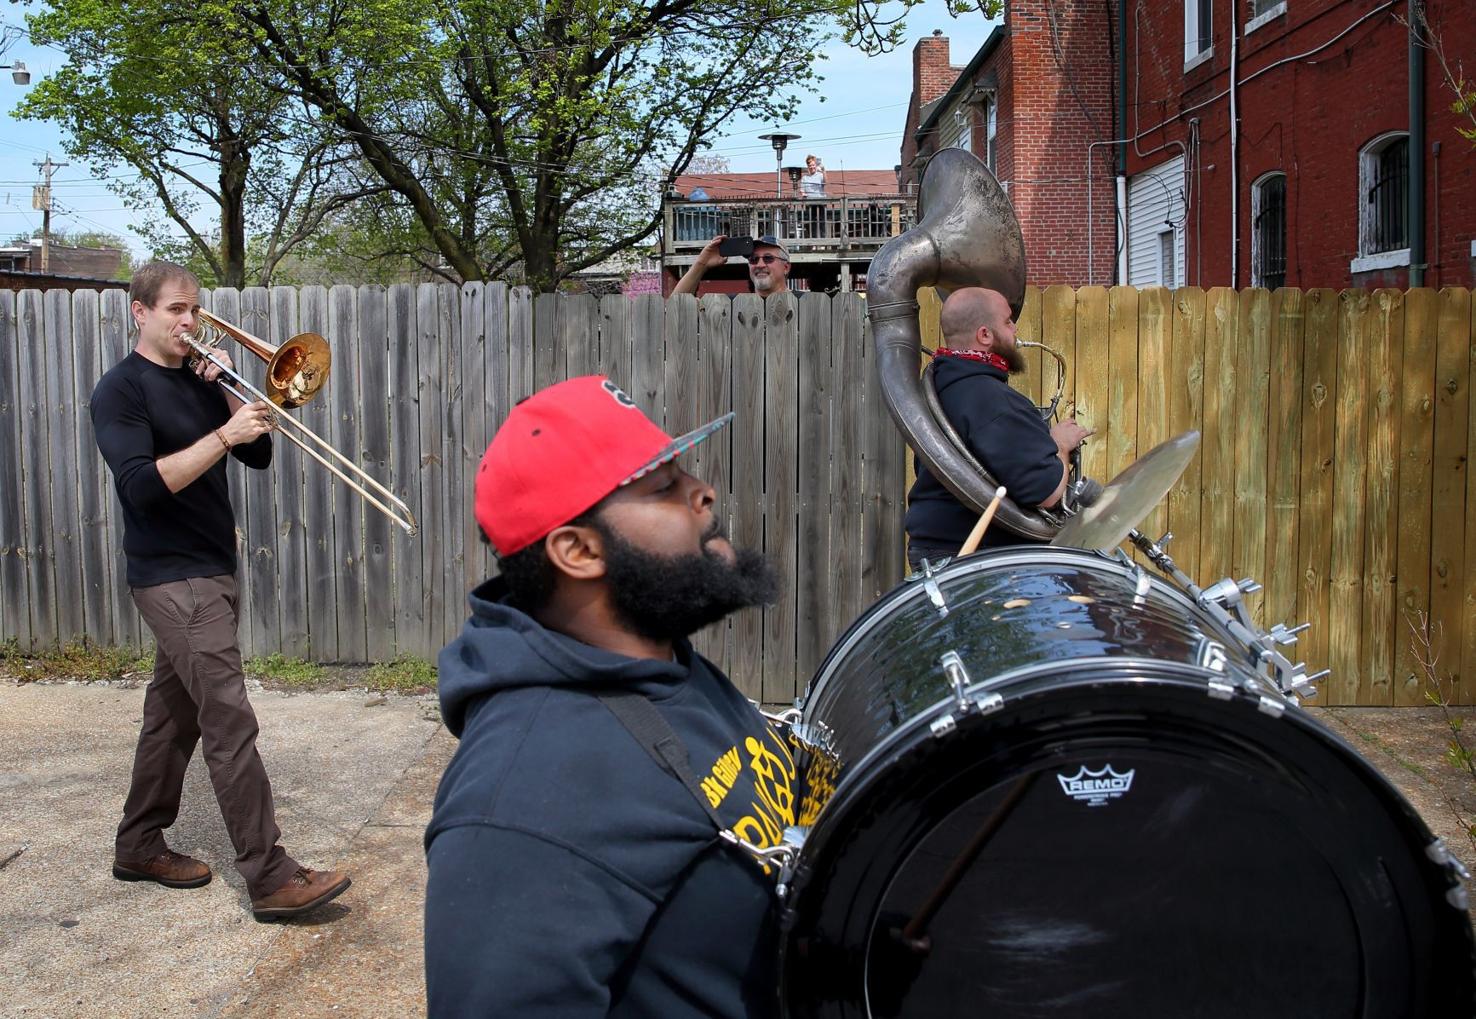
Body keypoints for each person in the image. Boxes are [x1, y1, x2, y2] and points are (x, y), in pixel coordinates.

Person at [424, 375, 786, 1018]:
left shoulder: (660, 663)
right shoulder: (524, 808)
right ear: (579, 550)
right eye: (663, 487)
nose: (703, 492)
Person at [91, 260, 350, 922]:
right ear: (140, 312)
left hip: (212, 567)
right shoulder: (120, 391)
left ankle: (138, 844)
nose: (190, 321)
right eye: (176, 310)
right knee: (228, 719)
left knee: (172, 717)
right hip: (170, 575)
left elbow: (256, 455)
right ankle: (270, 875)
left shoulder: (202, 380)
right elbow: (140, 487)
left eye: (194, 309)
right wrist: (222, 434)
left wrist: (233, 394)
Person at [904, 286, 1092, 568]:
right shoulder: (989, 399)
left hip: (941, 549)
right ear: (985, 335)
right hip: (973, 556)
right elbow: (1047, 492)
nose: (1015, 329)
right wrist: (1061, 444)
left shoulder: (943, 384)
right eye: (1007, 322)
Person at [672, 234, 790, 297]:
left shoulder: (801, 303)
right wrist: (701, 263)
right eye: (753, 259)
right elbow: (676, 308)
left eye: (768, 258)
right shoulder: (731, 306)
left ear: (786, 267)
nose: (760, 264)